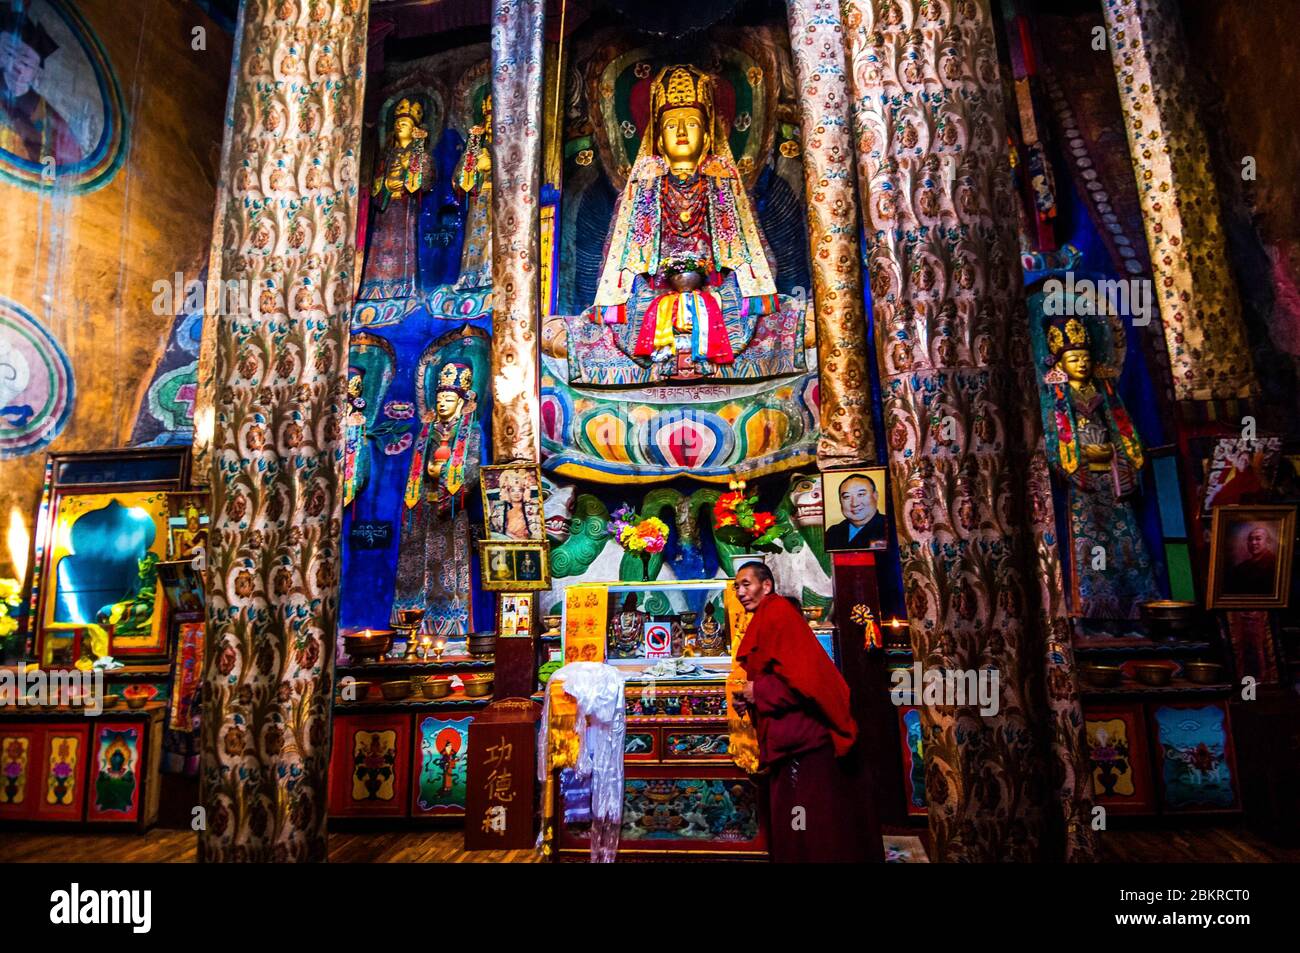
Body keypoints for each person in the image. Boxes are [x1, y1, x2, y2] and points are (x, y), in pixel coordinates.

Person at [732, 562, 877, 862]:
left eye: (746, 584)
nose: (740, 592)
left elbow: (805, 680)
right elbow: (779, 671)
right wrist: (751, 697)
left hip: (804, 741)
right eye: (737, 587)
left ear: (766, 586)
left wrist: (758, 692)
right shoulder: (767, 615)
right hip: (791, 737)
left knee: (806, 813)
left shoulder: (777, 613)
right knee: (796, 812)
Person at [824, 473, 887, 550]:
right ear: (840, 501)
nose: (854, 504)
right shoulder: (833, 532)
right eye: (847, 497)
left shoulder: (889, 527)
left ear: (875, 496)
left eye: (861, 494)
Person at [1229, 524, 1277, 595]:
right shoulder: (1241, 567)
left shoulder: (1275, 564)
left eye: (1258, 539)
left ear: (1268, 542)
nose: (1253, 543)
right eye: (1250, 539)